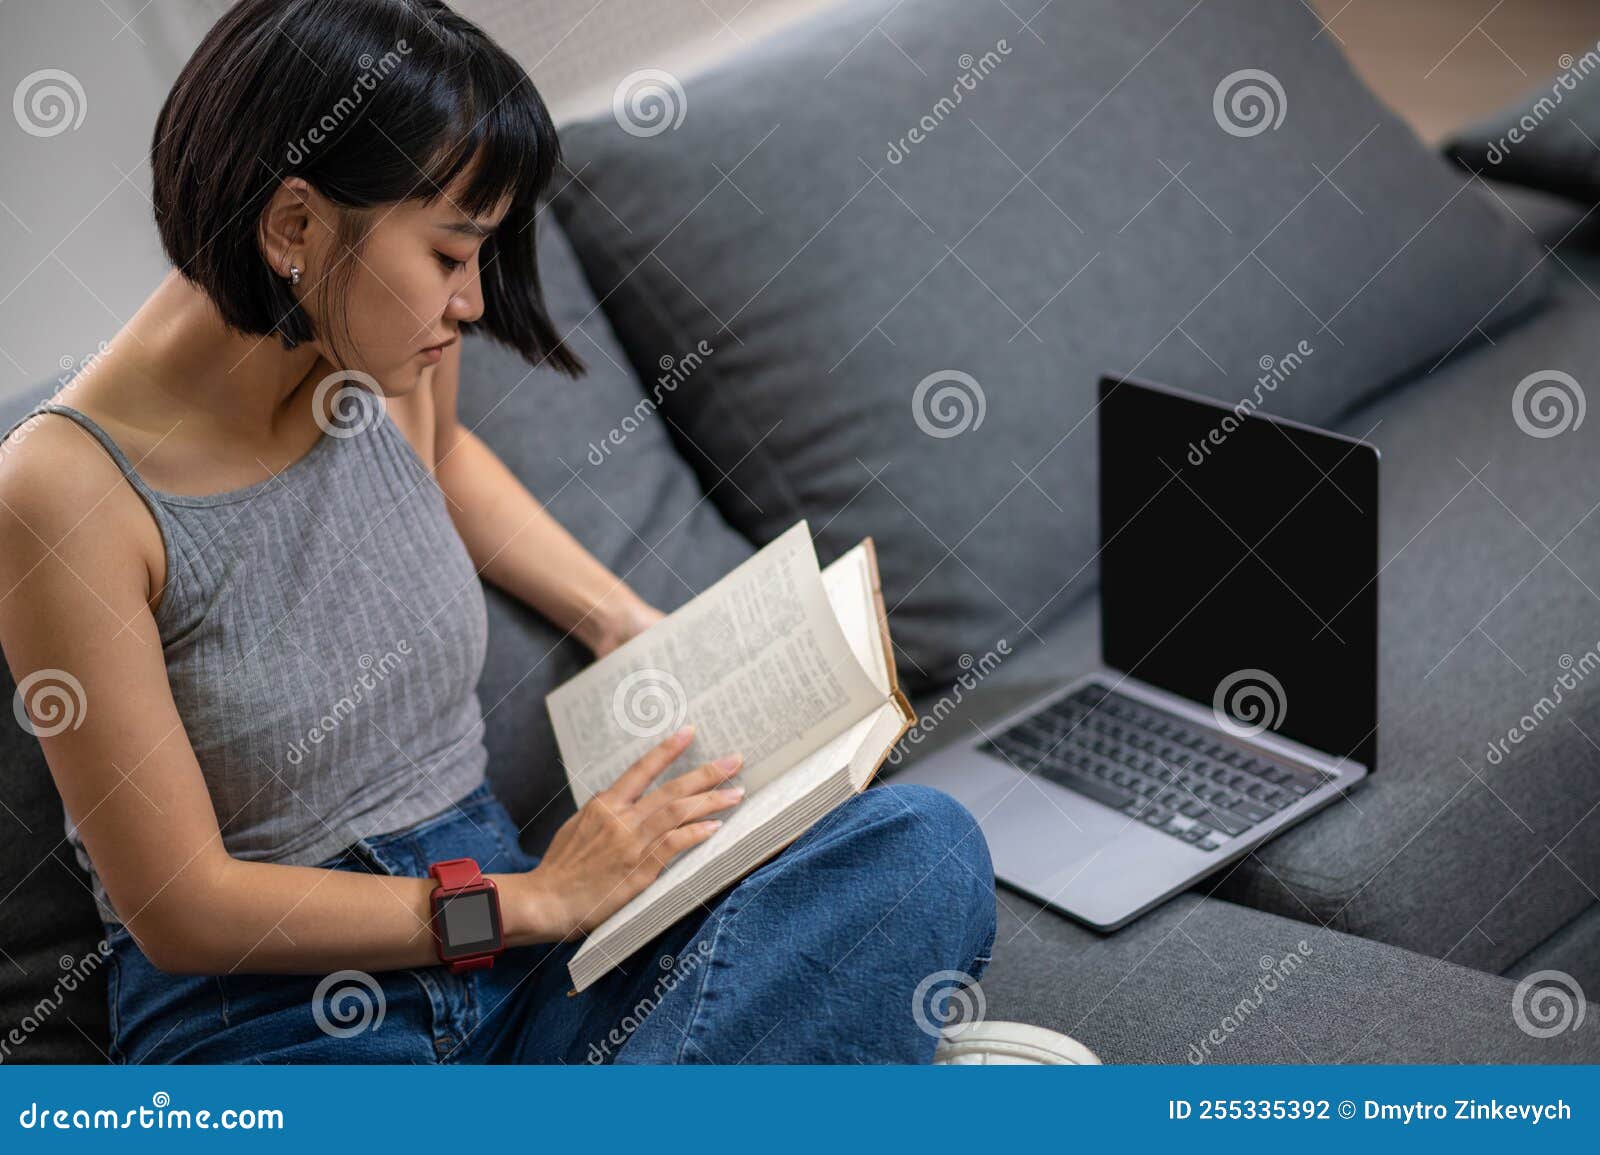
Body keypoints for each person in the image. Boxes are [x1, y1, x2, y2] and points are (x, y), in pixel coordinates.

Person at [0, 0, 1093, 1065]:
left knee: (919, 848)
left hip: (518, 974)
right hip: (283, 1027)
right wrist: (529, 900)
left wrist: (619, 619)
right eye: (449, 255)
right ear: (295, 227)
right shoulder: (61, 492)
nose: (472, 302)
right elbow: (181, 908)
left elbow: (439, 462)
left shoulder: (373, 354)